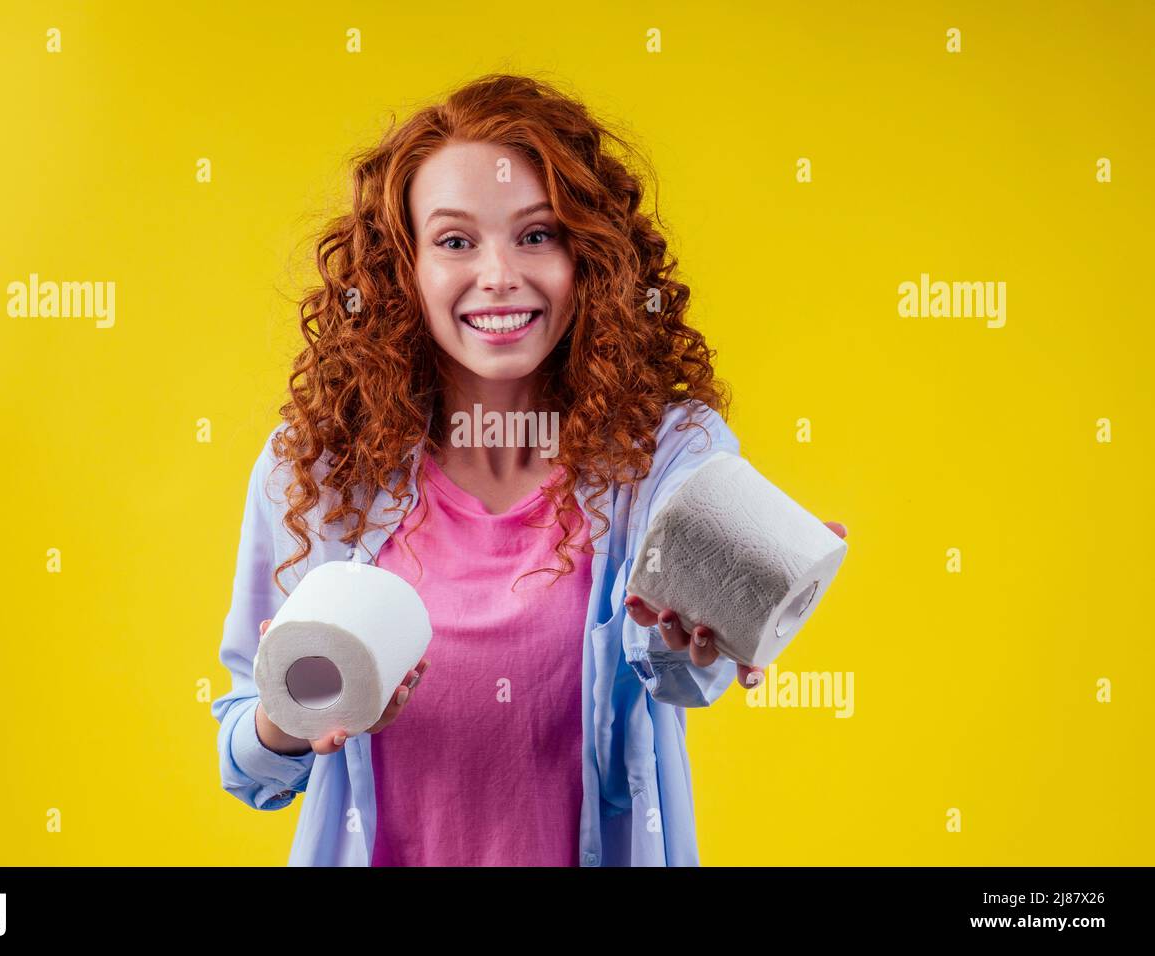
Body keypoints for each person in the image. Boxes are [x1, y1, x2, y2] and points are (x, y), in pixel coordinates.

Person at [214, 74, 848, 866]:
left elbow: (681, 680)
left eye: (537, 234)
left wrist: (708, 626)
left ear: (589, 255)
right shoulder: (318, 464)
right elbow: (247, 762)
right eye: (454, 241)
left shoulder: (667, 452)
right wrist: (297, 710)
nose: (499, 275)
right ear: (401, 265)